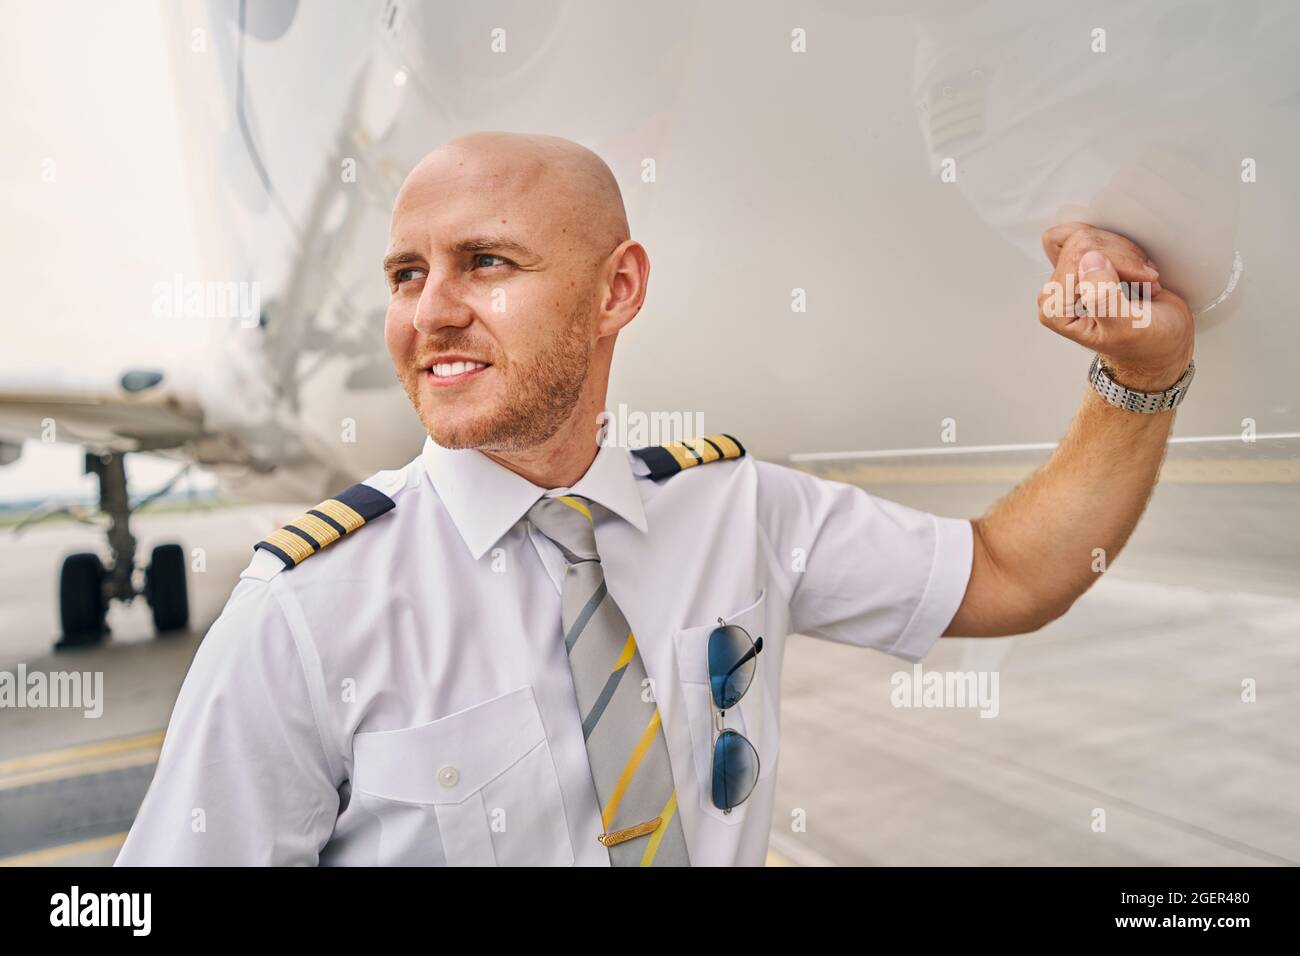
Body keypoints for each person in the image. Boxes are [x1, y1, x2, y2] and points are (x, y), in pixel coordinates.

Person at [115, 131, 1195, 866]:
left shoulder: (730, 511)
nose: (428, 313)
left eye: (484, 262)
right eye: (405, 274)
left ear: (616, 289)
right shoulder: (304, 612)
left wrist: (1139, 380)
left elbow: (1014, 570)